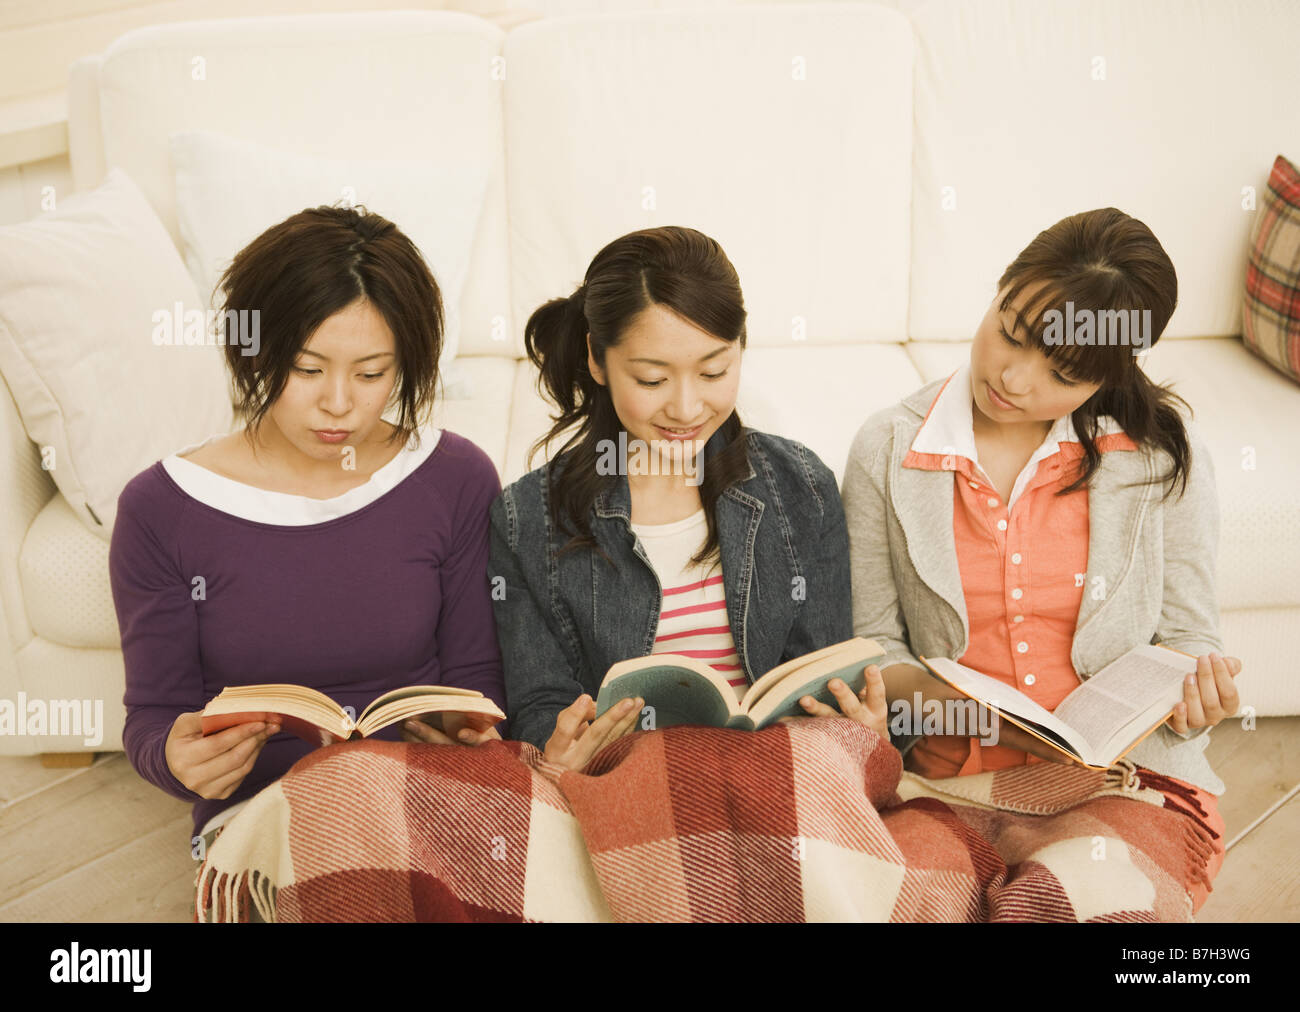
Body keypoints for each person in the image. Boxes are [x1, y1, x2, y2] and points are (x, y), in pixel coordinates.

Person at [840, 207, 1242, 915]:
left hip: (1116, 783)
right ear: (1000, 288)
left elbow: (1190, 639)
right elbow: (875, 645)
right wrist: (963, 716)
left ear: (1113, 372)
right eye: (1010, 334)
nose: (1015, 381)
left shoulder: (1161, 458)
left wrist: (1199, 697)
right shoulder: (888, 449)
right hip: (941, 786)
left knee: (1074, 909)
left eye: (1060, 373)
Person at [109, 205, 506, 861]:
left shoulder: (454, 477)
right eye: (308, 368)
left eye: (372, 373)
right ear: (256, 349)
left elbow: (475, 677)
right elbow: (154, 715)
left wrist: (473, 733)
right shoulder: (162, 507)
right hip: (264, 821)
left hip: (428, 802)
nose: (339, 404)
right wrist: (176, 759)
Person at [489, 225, 888, 767]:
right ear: (597, 359)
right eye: (652, 380)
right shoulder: (527, 519)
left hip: (777, 773)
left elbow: (819, 675)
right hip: (625, 784)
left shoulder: (801, 486)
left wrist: (856, 728)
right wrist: (556, 748)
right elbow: (540, 707)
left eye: (713, 371)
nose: (685, 408)